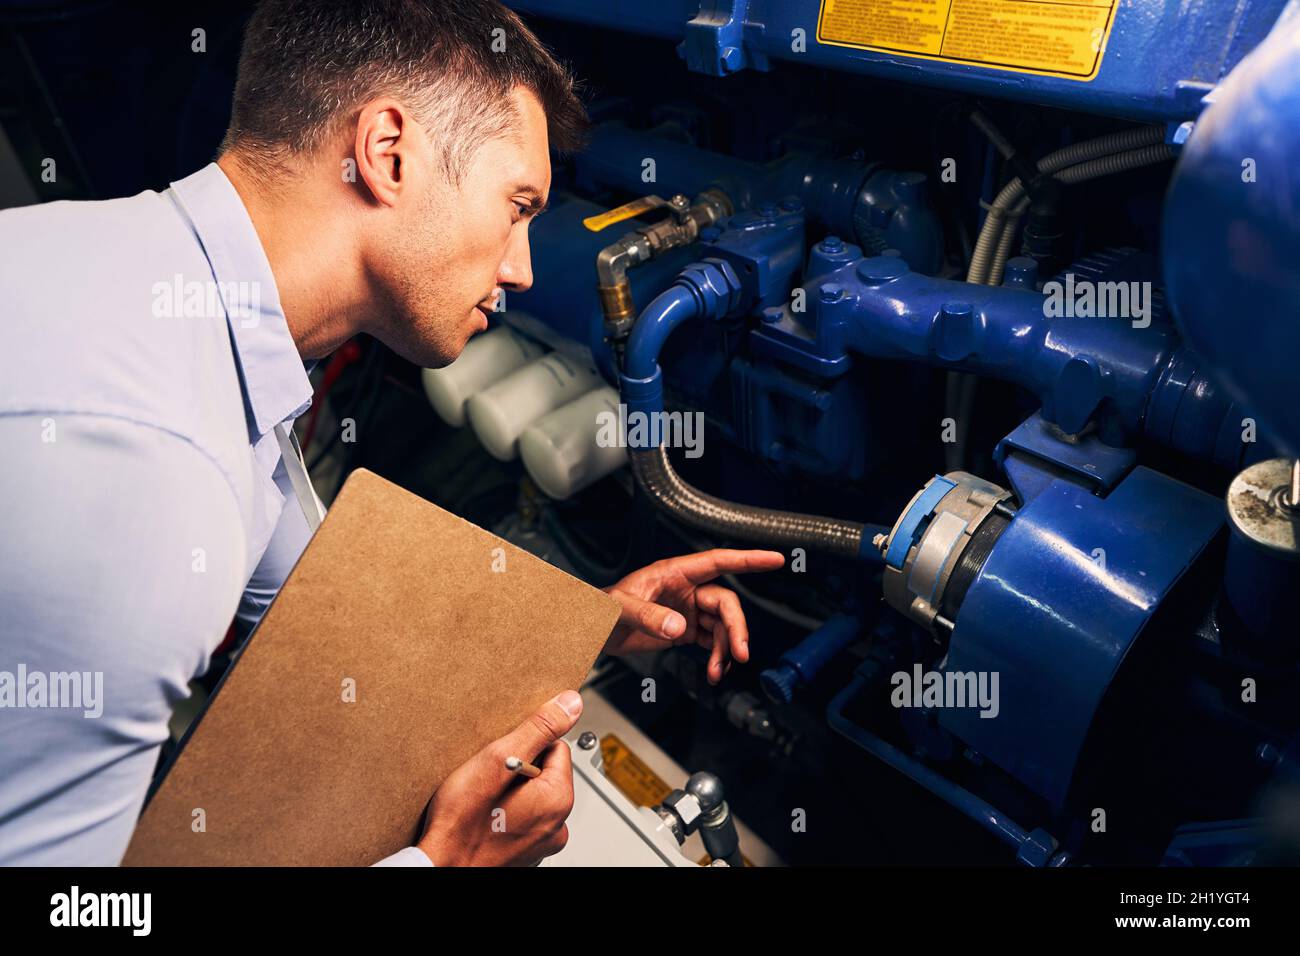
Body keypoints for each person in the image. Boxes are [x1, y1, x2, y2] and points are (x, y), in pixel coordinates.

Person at [0, 0, 784, 866]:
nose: (521, 268)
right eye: (517, 205)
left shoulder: (157, 295)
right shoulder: (148, 469)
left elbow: (319, 620)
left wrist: (579, 626)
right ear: (388, 154)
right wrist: (444, 863)